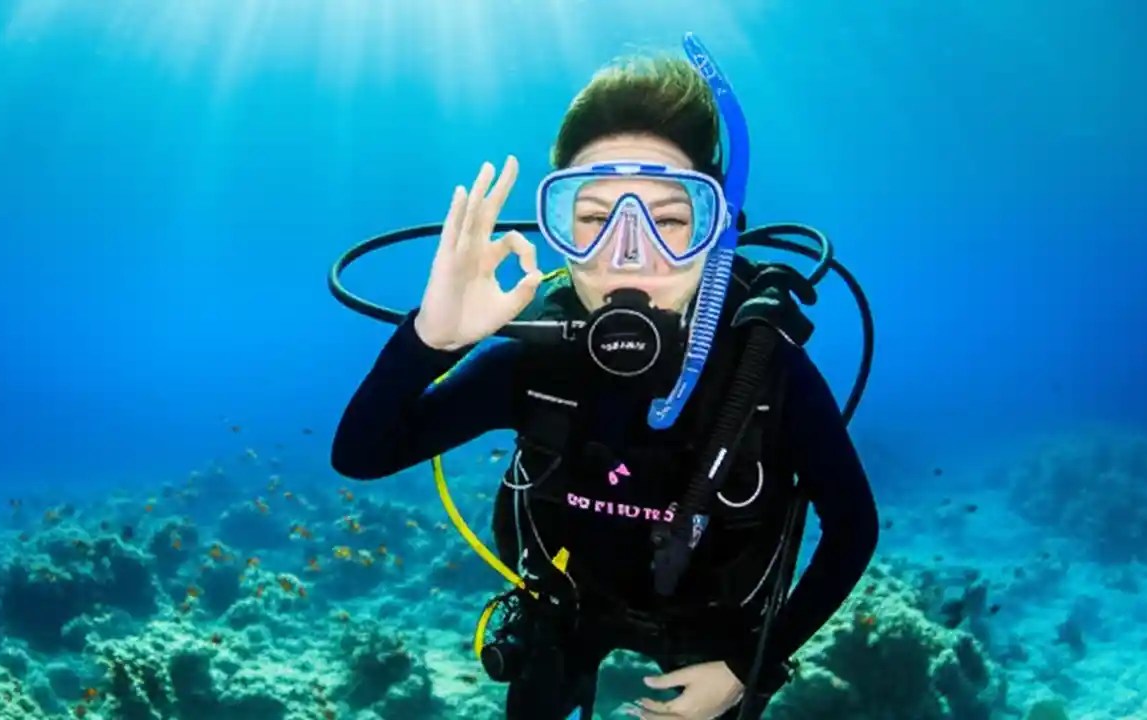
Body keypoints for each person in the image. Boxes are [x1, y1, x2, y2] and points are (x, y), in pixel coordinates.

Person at [331, 34, 878, 720]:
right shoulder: (538, 360)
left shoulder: (762, 368)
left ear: (717, 231)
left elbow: (853, 527)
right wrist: (430, 341)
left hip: (715, 627)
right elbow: (361, 453)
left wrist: (750, 665)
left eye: (671, 220)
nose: (629, 255)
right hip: (568, 603)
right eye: (591, 219)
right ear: (558, 232)